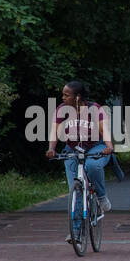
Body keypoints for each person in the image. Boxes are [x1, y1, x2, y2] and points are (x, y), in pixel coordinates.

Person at [45, 81, 113, 241]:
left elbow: (104, 129)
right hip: (73, 150)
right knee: (75, 190)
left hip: (96, 147)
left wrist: (109, 145)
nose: (63, 98)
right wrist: (51, 148)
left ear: (78, 97)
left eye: (66, 95)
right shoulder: (62, 110)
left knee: (93, 166)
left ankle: (102, 197)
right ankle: (76, 232)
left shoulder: (94, 109)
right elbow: (54, 131)